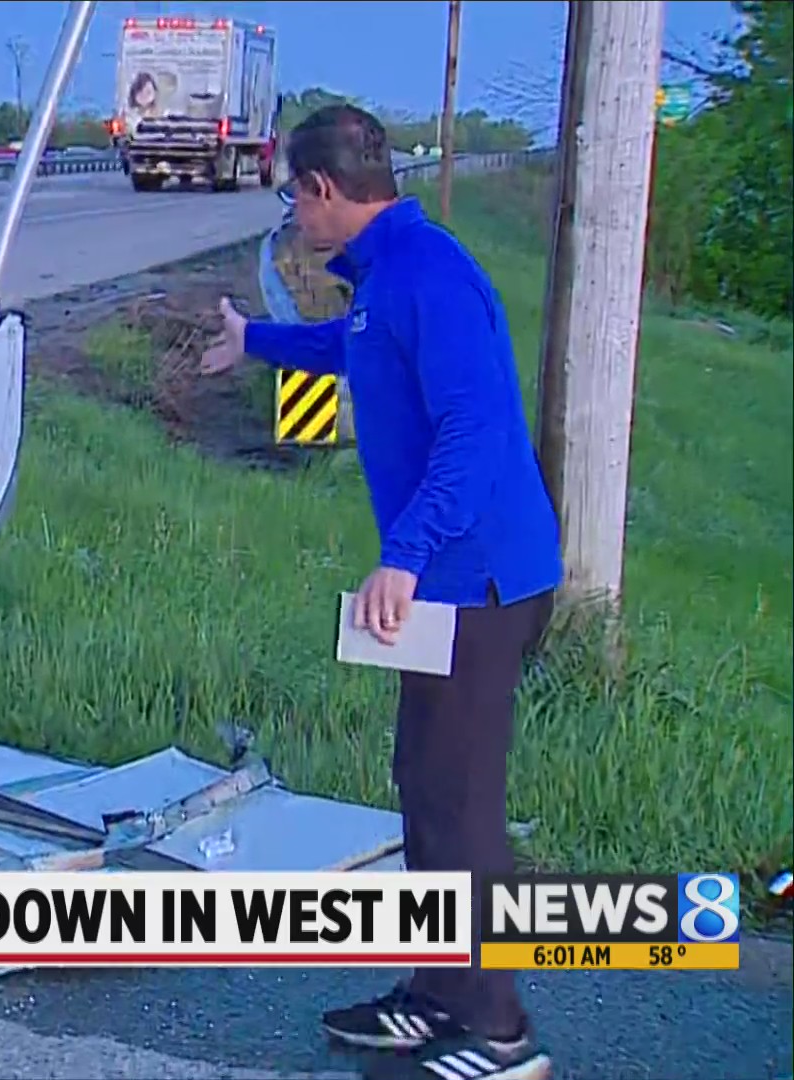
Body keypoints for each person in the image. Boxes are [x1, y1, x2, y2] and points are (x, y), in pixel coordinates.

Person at [200, 104, 561, 1080]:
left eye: (291, 194)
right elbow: (356, 350)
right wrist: (259, 340)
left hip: (477, 582)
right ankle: (442, 990)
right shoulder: (390, 276)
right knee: (426, 787)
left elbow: (477, 432)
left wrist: (403, 554)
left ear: (322, 191)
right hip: (448, 580)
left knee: (461, 806)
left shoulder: (427, 275)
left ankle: (499, 1029)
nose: (294, 214)